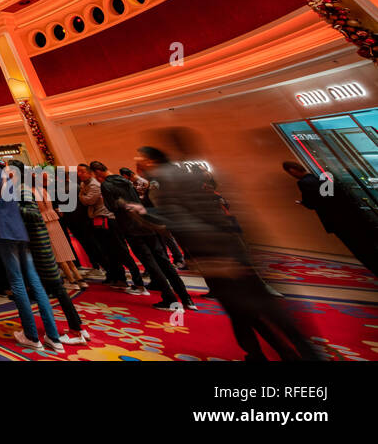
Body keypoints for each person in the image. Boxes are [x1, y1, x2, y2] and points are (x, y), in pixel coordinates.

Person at [142, 141, 323, 361]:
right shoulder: (193, 177)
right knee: (255, 305)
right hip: (229, 245)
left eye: (141, 160)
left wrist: (146, 214)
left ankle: (277, 352)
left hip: (215, 254)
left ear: (152, 160)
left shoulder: (164, 181)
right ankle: (295, 350)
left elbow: (180, 218)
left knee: (244, 307)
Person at [0, 143, 65, 354]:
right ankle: (53, 335)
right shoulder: (5, 171)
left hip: (4, 230)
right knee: (35, 282)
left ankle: (31, 335)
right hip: (18, 228)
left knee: (17, 282)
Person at [10, 159, 89, 346]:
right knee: (53, 287)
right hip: (42, 239)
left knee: (52, 287)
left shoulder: (24, 191)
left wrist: (10, 207)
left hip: (39, 243)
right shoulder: (35, 189)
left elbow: (32, 214)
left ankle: (67, 332)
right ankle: (76, 328)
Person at [99, 163, 195, 310]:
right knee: (164, 261)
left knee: (151, 264)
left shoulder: (106, 185)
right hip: (146, 223)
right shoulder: (128, 181)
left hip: (131, 228)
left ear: (97, 173)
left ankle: (169, 299)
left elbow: (112, 207)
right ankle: (186, 299)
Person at [284, 160, 378, 278]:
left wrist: (303, 203)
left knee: (360, 249)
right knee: (369, 241)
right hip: (352, 216)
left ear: (293, 171)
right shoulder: (321, 178)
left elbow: (312, 203)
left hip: (337, 221)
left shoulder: (304, 183)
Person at [79, 162, 145, 292]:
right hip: (101, 220)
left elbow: (88, 201)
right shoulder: (88, 185)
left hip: (109, 220)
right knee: (111, 252)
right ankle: (120, 279)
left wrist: (81, 195)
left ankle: (139, 283)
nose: (79, 174)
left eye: (82, 171)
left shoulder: (98, 185)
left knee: (122, 251)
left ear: (93, 172)